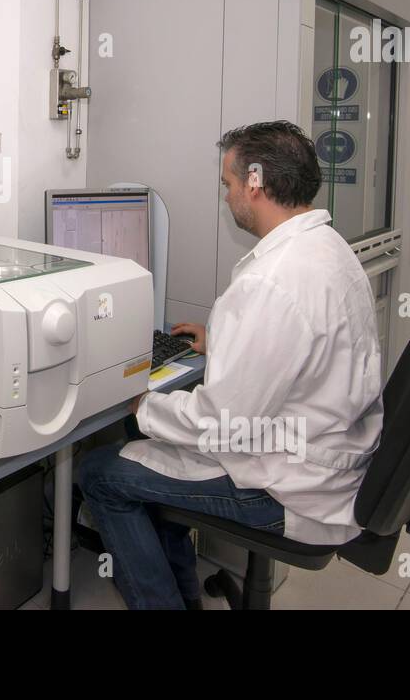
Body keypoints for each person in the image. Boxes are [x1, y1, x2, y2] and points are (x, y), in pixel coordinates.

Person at [77, 121, 383, 610]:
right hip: (332, 458)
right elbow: (301, 352)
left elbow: (222, 425)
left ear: (255, 182)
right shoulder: (328, 249)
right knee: (147, 443)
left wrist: (140, 404)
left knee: (99, 473)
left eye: (228, 183)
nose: (227, 196)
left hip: (289, 488)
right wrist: (221, 344)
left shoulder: (271, 282)